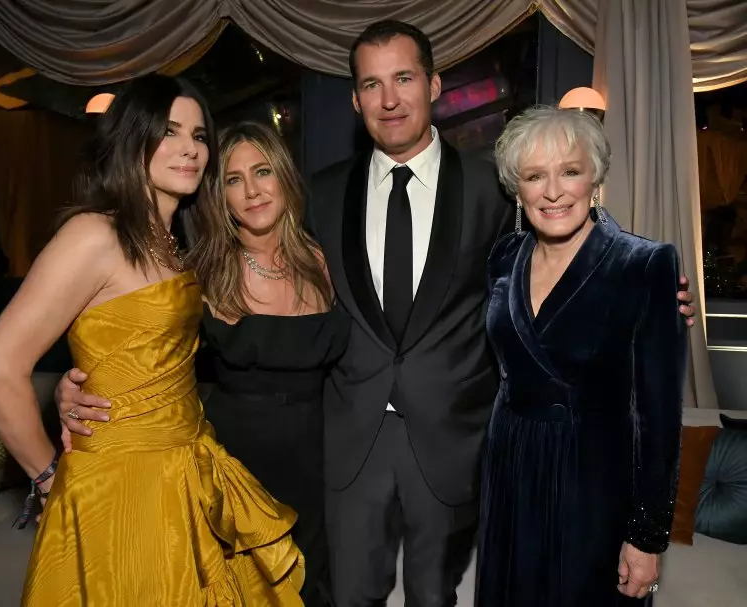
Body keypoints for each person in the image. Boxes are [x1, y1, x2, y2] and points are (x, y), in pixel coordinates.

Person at [306, 20, 696, 606]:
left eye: (404, 78)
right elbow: (280, 279)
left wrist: (657, 293)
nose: (389, 99)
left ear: (434, 84)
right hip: (365, 437)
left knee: (439, 594)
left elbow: (587, 256)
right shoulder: (321, 193)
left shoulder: (489, 186)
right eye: (371, 84)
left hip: (463, 442)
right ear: (355, 96)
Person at [0, 75, 304, 606]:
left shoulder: (177, 245)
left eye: (198, 135)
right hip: (120, 488)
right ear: (132, 137)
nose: (190, 149)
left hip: (187, 471)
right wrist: (51, 478)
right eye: (168, 131)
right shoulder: (94, 235)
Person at [55, 121, 348, 606]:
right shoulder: (204, 272)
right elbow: (139, 351)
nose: (252, 190)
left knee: (313, 583)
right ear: (220, 196)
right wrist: (70, 386)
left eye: (262, 171)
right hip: (236, 465)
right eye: (233, 180)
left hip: (319, 459)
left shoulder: (320, 258)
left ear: (286, 179)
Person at [474, 106, 685, 607]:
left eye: (570, 171)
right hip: (511, 470)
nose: (553, 191)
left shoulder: (644, 264)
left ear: (594, 179)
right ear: (517, 189)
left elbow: (659, 419)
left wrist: (647, 536)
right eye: (534, 176)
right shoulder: (504, 256)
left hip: (593, 483)